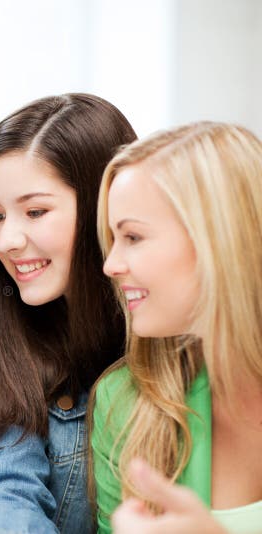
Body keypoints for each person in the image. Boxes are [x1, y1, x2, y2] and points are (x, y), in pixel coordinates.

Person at [0, 94, 136, 533]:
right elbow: (6, 497)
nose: (7, 240)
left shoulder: (173, 338)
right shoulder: (9, 346)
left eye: (35, 211)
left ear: (102, 207)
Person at [93, 121, 262, 533]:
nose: (110, 265)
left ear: (217, 238)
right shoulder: (127, 406)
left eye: (133, 236)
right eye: (113, 239)